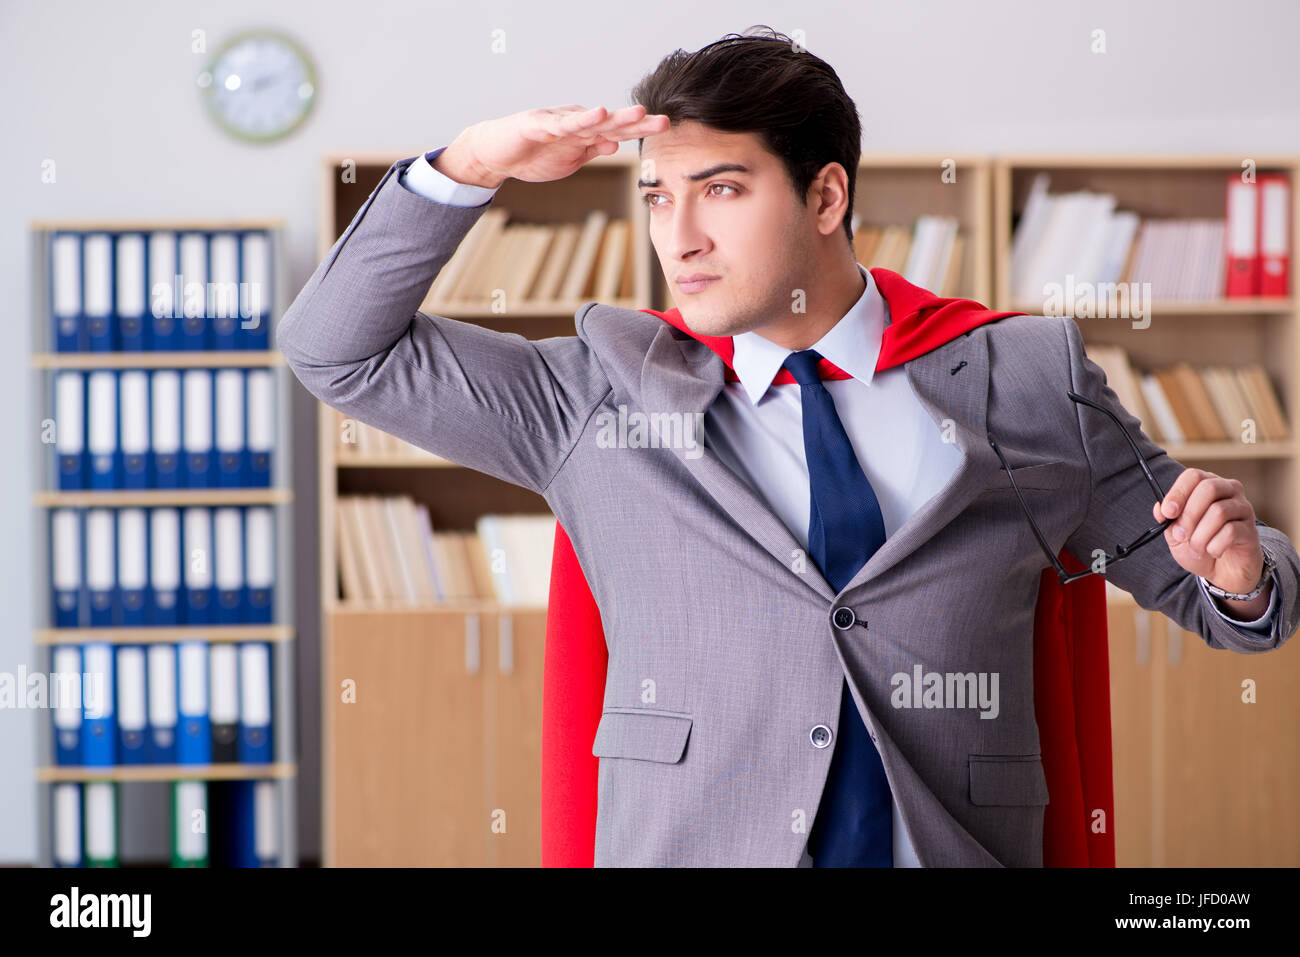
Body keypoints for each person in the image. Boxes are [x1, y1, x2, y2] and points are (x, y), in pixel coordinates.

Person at [277, 28, 1297, 867]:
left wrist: (1241, 576)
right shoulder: (594, 392)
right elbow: (333, 353)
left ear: (825, 197)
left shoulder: (1025, 379)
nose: (678, 238)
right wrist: (469, 166)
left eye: (719, 190)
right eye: (657, 198)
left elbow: (1234, 606)